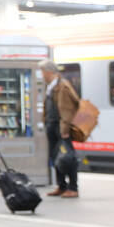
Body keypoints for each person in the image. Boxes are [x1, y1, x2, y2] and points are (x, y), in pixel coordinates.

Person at [39, 59, 80, 198]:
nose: (42, 75)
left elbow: (66, 110)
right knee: (56, 156)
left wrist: (64, 130)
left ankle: (73, 187)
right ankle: (61, 185)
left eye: (43, 72)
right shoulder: (51, 86)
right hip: (52, 125)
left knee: (68, 157)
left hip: (60, 128)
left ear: (49, 72)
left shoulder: (62, 86)